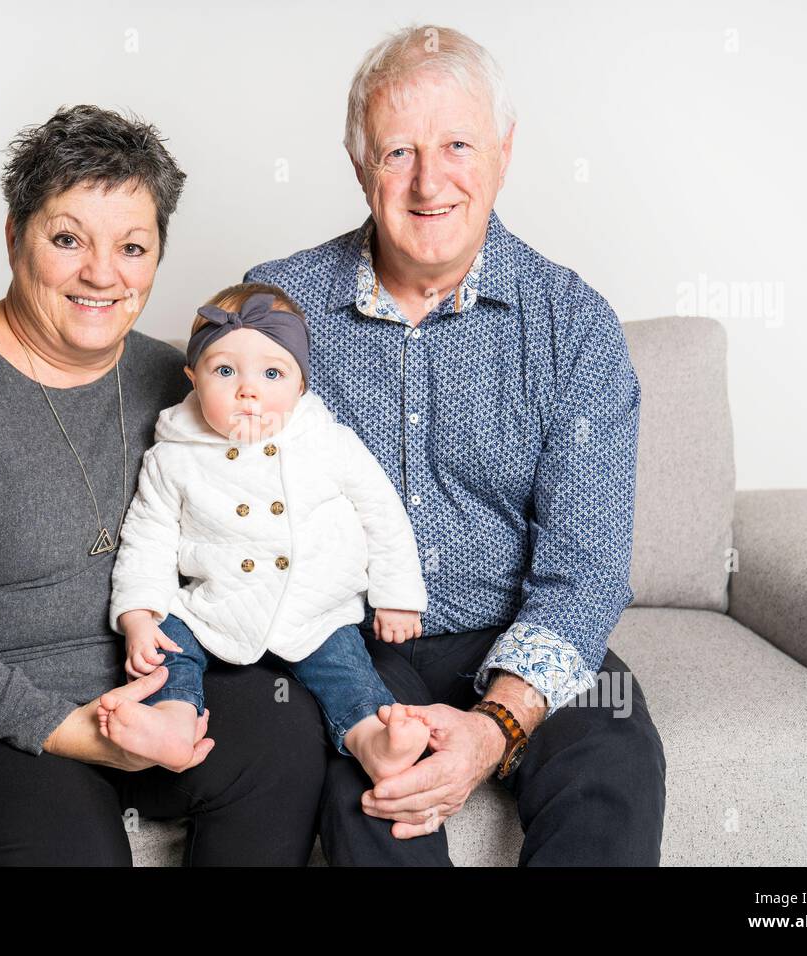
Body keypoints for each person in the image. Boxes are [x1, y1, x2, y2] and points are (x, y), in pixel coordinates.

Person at [0, 104, 327, 866]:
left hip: (152, 694)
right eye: (68, 240)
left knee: (284, 734)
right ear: (13, 237)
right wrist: (81, 735)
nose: (103, 274)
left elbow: (257, 519)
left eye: (132, 247)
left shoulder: (178, 380)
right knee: (73, 844)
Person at [243, 24, 667, 865]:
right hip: (346, 636)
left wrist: (492, 726)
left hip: (512, 628)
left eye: (458, 144)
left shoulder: (574, 329)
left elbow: (584, 573)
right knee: (368, 787)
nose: (429, 181)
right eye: (398, 151)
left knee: (616, 750)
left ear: (504, 152)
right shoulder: (279, 308)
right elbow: (234, 505)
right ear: (359, 164)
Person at [101, 284, 434, 784]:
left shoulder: (326, 441)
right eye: (225, 371)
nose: (247, 390)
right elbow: (147, 536)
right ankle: (174, 719)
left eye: (272, 373)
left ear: (301, 385)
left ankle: (372, 738)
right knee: (168, 642)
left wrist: (398, 595)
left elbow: (381, 511)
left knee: (345, 670)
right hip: (218, 605)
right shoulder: (173, 455)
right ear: (193, 378)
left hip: (314, 606)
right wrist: (137, 615)